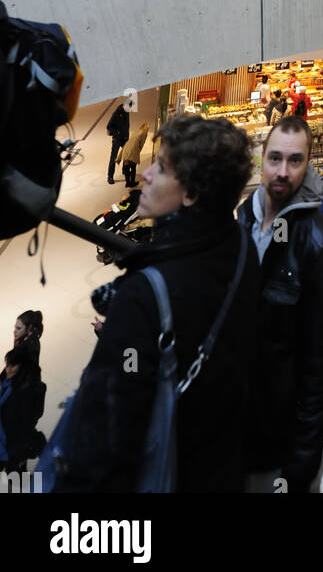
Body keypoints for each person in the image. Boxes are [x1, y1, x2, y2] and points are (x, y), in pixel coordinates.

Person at [51, 118, 260, 493]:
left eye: (161, 167)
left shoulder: (142, 294)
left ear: (193, 194)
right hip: (223, 464)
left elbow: (109, 432)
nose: (145, 174)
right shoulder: (243, 247)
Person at [237, 114, 323, 494]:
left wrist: (300, 464)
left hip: (280, 448)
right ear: (261, 157)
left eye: (295, 160)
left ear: (308, 163)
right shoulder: (242, 219)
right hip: (236, 435)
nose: (283, 171)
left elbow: (321, 368)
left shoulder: (319, 243)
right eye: (276, 158)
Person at [0, 346, 45, 473]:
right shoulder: (5, 380)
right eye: (7, 364)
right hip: (5, 442)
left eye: (12, 366)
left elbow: (28, 421)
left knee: (17, 478)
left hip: (13, 444)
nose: (8, 369)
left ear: (21, 367)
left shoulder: (26, 392)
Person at [106, 98, 132, 183]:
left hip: (125, 138)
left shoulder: (127, 112)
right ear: (125, 105)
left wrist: (127, 135)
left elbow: (127, 125)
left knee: (126, 155)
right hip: (117, 139)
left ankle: (124, 170)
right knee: (114, 157)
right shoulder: (117, 113)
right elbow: (109, 126)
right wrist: (117, 133)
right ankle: (110, 176)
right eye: (129, 107)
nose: (130, 109)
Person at [120, 120, 149, 188]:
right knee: (133, 167)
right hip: (133, 151)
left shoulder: (137, 131)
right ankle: (132, 183)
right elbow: (141, 144)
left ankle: (127, 183)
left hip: (126, 149)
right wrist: (138, 152)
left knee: (126, 167)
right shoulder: (144, 133)